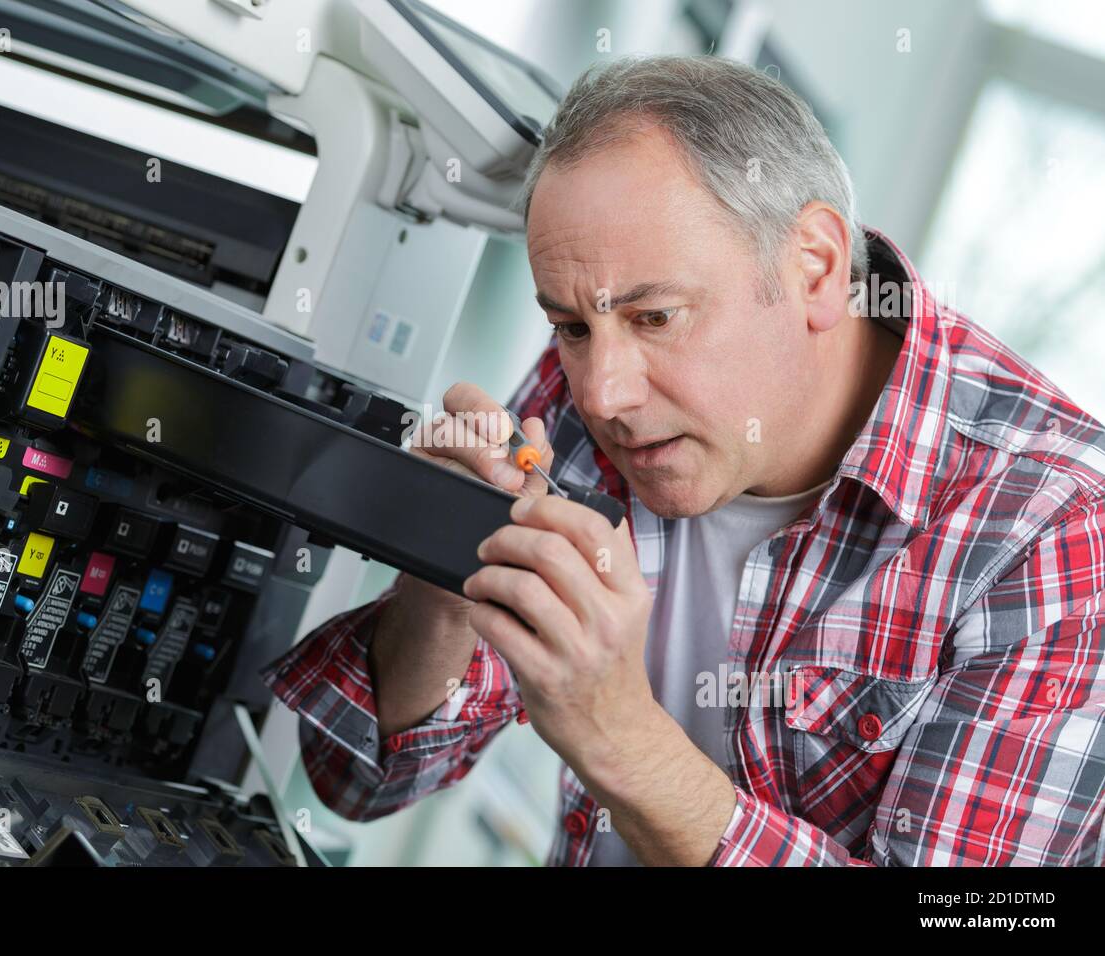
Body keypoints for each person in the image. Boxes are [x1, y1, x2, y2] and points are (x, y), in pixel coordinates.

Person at [261, 55, 1105, 866]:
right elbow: (359, 782)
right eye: (571, 326)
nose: (602, 394)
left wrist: (616, 731)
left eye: (657, 317)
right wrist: (440, 589)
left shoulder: (1056, 535)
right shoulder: (590, 381)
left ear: (813, 268)